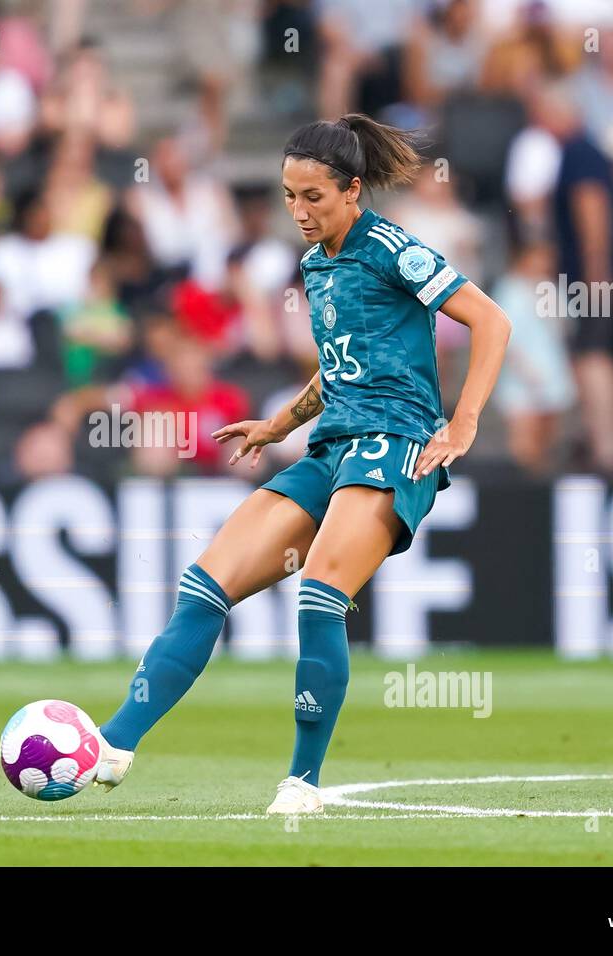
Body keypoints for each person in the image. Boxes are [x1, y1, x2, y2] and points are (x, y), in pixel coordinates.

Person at [90, 114, 510, 814]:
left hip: (396, 441)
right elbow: (340, 364)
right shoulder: (315, 266)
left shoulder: (393, 250)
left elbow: (490, 320)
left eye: (313, 197)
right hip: (331, 443)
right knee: (205, 583)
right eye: (289, 196)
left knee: (318, 592)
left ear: (352, 190)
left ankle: (303, 782)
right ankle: (115, 743)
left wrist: (462, 420)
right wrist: (280, 423)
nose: (299, 211)